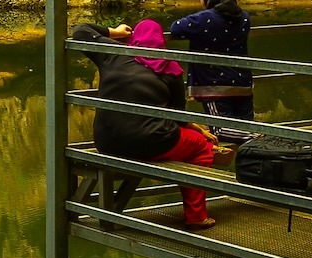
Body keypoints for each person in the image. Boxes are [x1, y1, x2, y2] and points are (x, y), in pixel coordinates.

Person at [74, 19, 221, 229]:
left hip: (107, 142)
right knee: (201, 147)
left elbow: (80, 31)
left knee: (174, 135)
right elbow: (177, 115)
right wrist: (197, 130)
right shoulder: (171, 68)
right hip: (150, 142)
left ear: (134, 39)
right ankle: (196, 216)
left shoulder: (115, 54)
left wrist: (114, 32)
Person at [167, 0, 254, 141]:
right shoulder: (244, 17)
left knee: (220, 131)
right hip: (242, 82)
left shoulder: (204, 19)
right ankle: (255, 144)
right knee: (245, 126)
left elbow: (175, 28)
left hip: (215, 87)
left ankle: (258, 136)